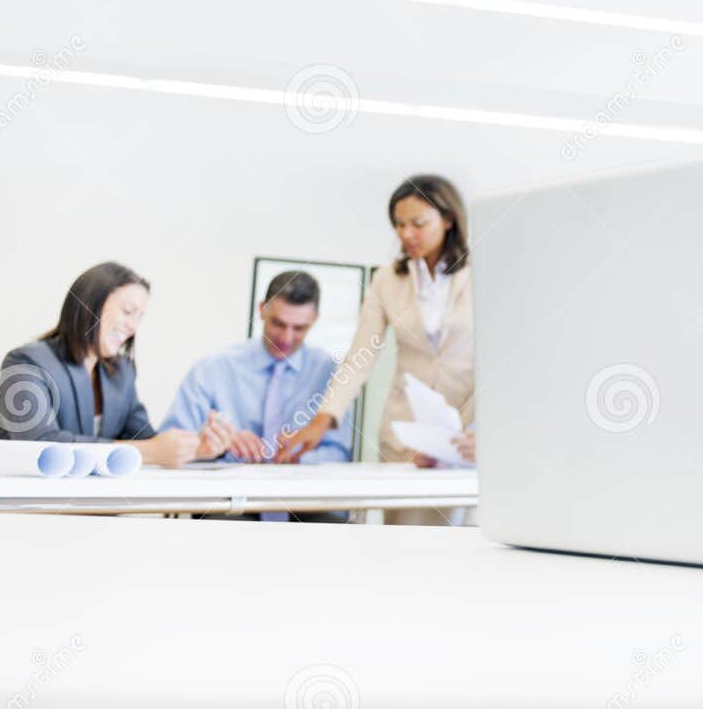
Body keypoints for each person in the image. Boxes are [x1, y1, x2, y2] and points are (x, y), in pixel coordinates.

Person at [278, 175, 475, 483]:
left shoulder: (482, 273)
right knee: (402, 529)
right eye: (399, 224)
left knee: (461, 529)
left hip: (468, 435)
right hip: (407, 435)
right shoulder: (388, 279)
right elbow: (360, 357)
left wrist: (484, 432)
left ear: (448, 219)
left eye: (418, 223)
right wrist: (324, 418)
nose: (406, 233)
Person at [0, 262, 213, 467]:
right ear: (89, 305)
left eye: (139, 317)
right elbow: (41, 446)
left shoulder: (121, 373)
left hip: (97, 505)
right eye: (127, 312)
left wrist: (198, 448)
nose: (133, 326)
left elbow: (145, 440)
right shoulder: (25, 362)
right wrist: (149, 452)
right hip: (27, 506)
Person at [160, 270, 351, 464]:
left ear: (315, 320)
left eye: (299, 328)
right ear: (262, 309)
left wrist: (296, 459)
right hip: (224, 490)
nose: (286, 338)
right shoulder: (212, 369)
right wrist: (217, 445)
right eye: (278, 324)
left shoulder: (331, 375)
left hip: (298, 490)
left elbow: (339, 452)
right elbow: (169, 442)